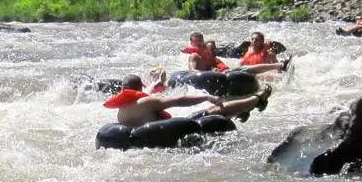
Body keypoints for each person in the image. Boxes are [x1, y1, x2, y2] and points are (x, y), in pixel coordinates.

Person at [103, 73, 267, 126]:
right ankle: (257, 99)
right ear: (139, 87)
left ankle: (247, 106)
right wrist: (206, 96)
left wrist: (155, 84)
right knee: (215, 109)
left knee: (210, 113)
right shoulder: (144, 102)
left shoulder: (121, 108)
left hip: (154, 137)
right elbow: (179, 100)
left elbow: (146, 93)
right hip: (168, 135)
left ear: (122, 90)